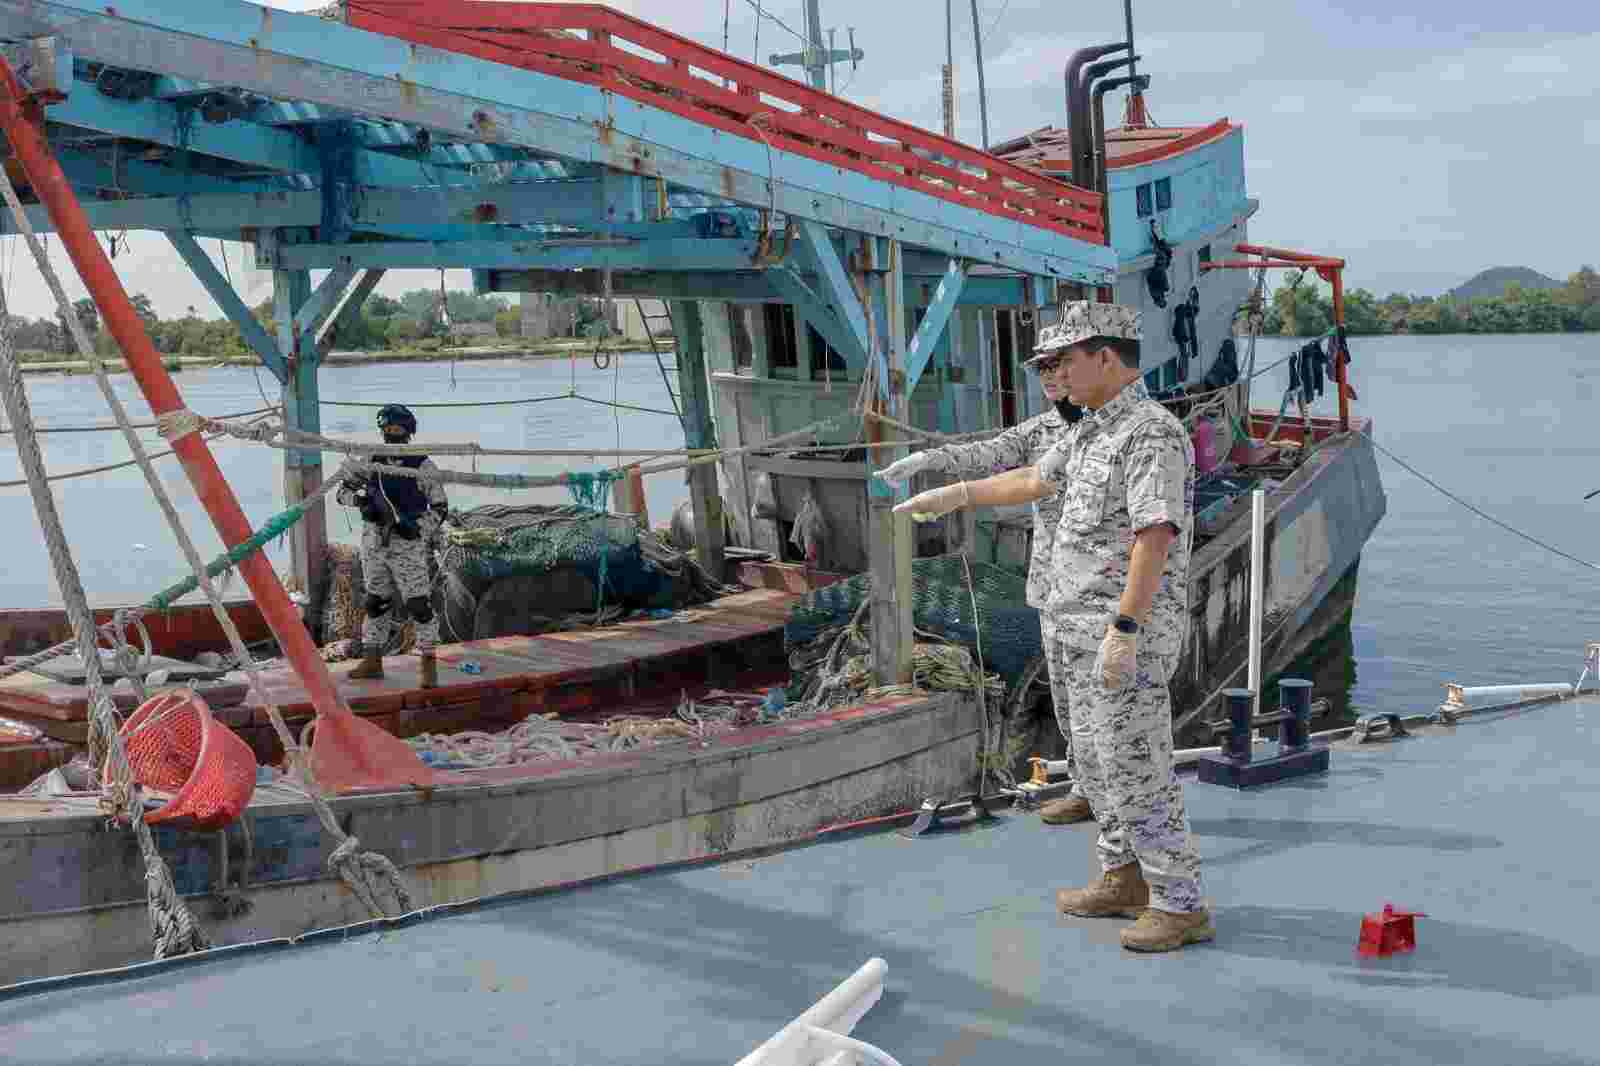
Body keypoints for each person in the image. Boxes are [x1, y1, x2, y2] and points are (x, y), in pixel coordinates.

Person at [893, 301, 1211, 953]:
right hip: (1071, 626)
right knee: (1094, 760)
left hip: (1118, 634)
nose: (1057, 373)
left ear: (1106, 357)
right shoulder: (1091, 429)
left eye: (1066, 359)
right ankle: (1123, 879)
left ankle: (1181, 904)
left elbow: (1154, 537)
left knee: (1135, 766)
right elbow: (1035, 478)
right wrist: (954, 495)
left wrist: (1126, 628)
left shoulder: (1150, 432)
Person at [872, 343, 1093, 825]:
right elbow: (987, 453)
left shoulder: (1111, 430)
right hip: (1055, 585)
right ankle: (1085, 788)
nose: (1049, 378)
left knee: (1108, 698)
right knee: (1067, 694)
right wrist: (924, 461)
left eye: (1057, 366)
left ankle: (1125, 802)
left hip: (1103, 589)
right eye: (1042, 370)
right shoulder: (1041, 430)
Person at [336, 403, 448, 689]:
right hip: (374, 542)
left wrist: (418, 529)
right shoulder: (370, 459)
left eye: (397, 428)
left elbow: (440, 506)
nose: (391, 433)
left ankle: (428, 663)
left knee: (418, 604)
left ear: (408, 431)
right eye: (386, 429)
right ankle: (373, 659)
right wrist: (360, 502)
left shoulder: (422, 465)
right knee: (375, 601)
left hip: (407, 544)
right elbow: (342, 492)